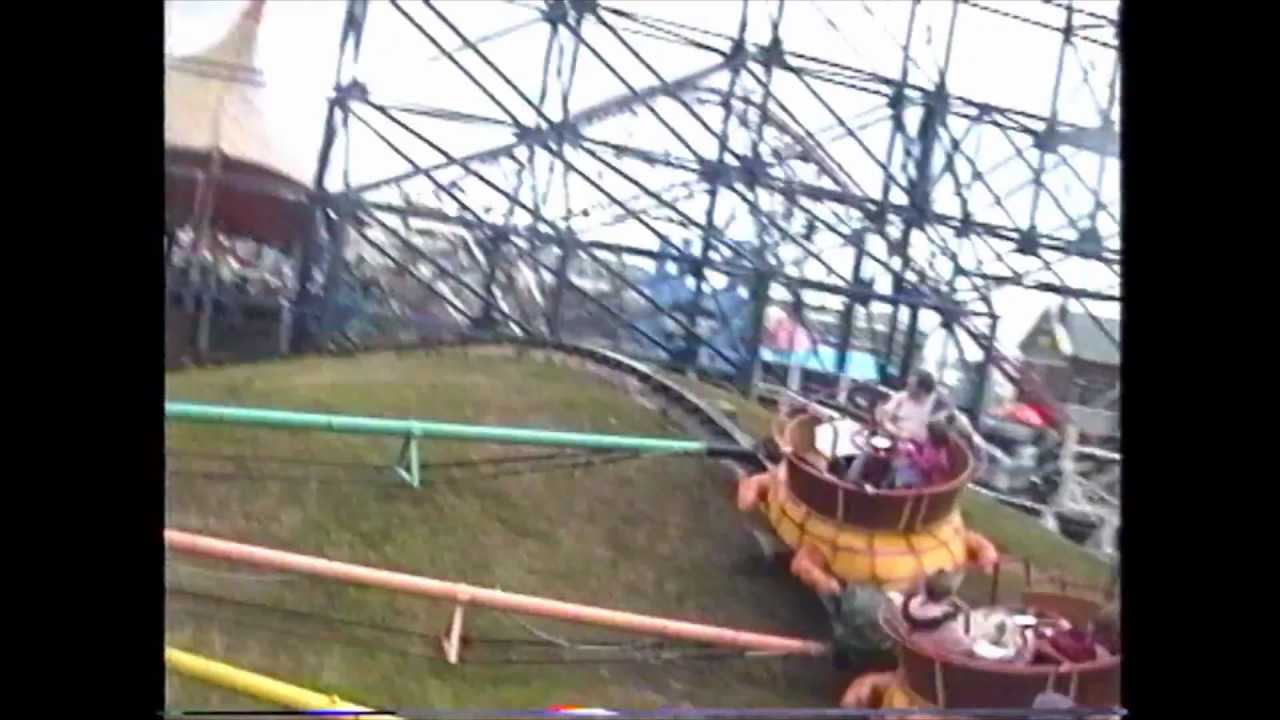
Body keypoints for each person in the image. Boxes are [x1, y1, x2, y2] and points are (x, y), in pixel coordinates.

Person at [876, 370, 951, 443]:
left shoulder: (935, 403)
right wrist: (895, 430)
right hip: (897, 441)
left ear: (922, 390)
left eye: (910, 385)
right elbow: (882, 416)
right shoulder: (901, 397)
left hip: (921, 449)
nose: (906, 387)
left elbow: (950, 410)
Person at [892, 420, 952, 489]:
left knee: (900, 474)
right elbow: (923, 447)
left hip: (926, 478)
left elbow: (925, 467)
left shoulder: (938, 454)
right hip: (919, 469)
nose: (927, 434)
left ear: (934, 437)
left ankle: (900, 491)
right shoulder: (931, 443)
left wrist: (912, 451)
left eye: (928, 433)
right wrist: (911, 441)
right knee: (898, 465)